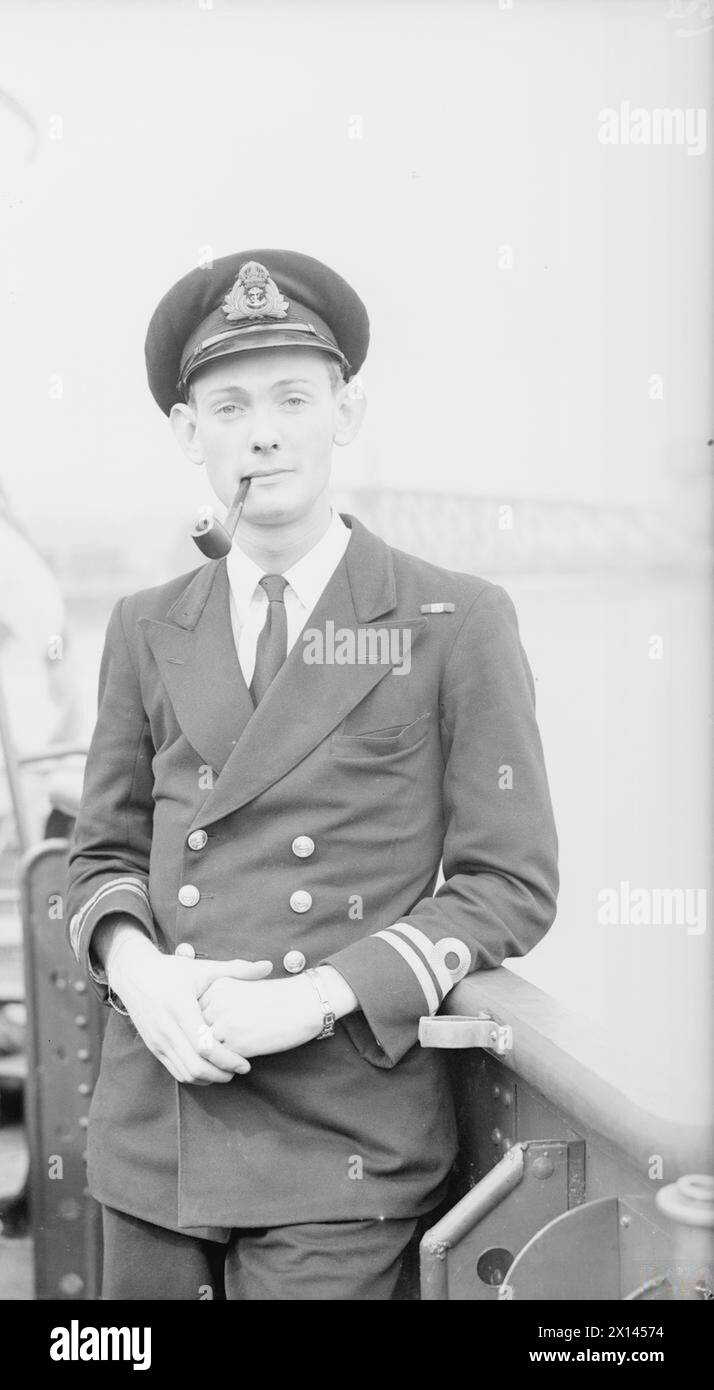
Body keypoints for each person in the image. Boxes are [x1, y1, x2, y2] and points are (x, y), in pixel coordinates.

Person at [66, 248, 559, 1300]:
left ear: (347, 413)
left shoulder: (453, 620)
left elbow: (509, 880)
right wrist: (140, 973)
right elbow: (99, 851)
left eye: (296, 396)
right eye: (231, 404)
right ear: (186, 433)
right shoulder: (145, 626)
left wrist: (324, 993)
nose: (266, 430)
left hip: (340, 1141)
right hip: (155, 1124)